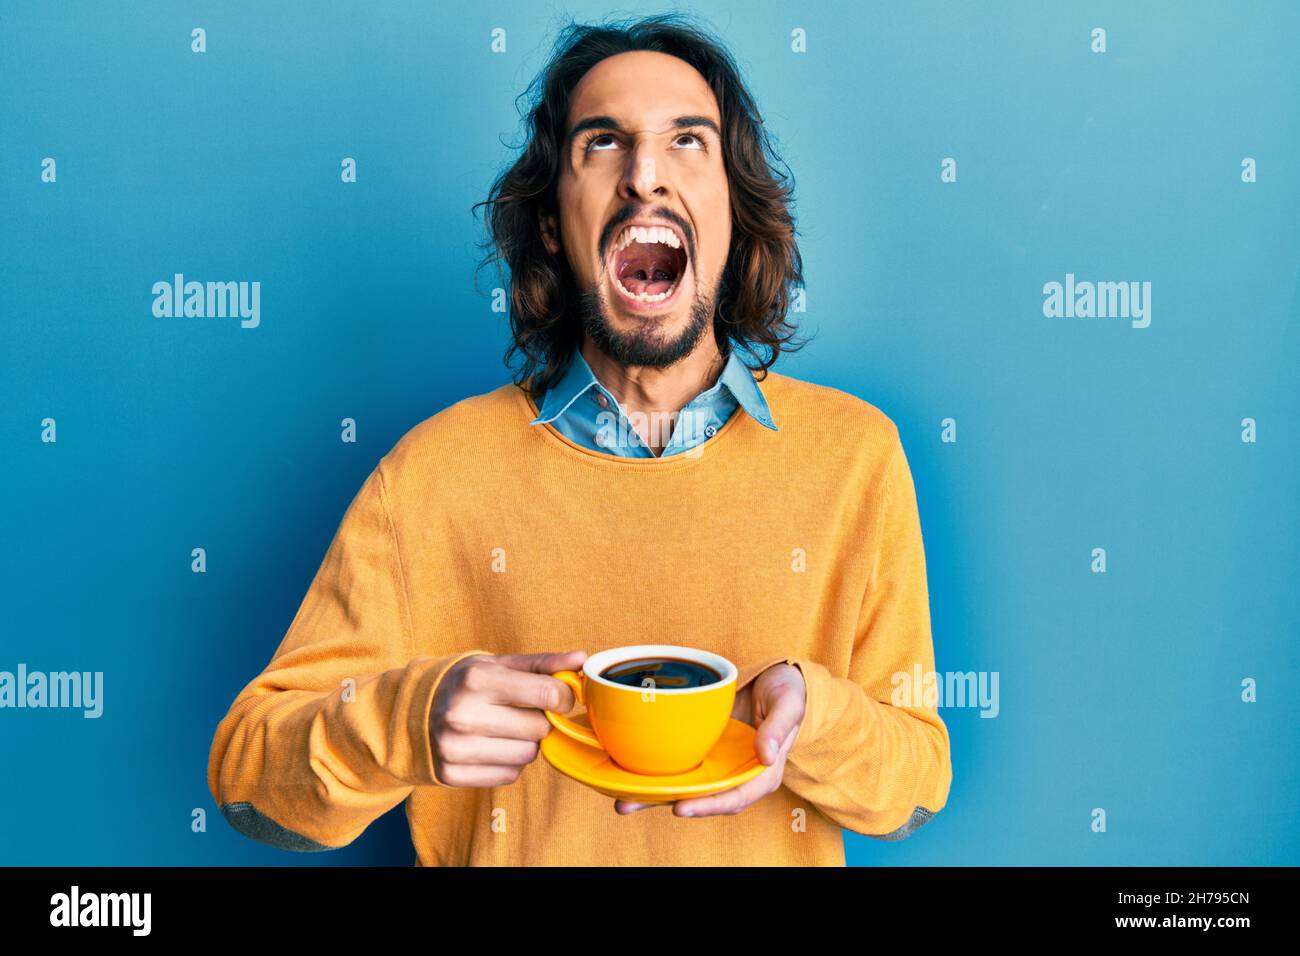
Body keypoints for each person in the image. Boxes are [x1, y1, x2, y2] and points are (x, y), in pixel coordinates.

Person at [207, 12, 952, 866]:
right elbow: (244, 784)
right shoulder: (430, 475)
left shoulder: (856, 457)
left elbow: (917, 786)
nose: (644, 176)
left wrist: (813, 718)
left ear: (733, 214)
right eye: (602, 143)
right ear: (555, 226)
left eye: (687, 142)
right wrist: (405, 723)